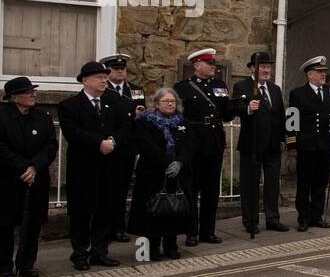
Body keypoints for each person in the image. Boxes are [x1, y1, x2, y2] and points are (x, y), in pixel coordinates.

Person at [0, 76, 57, 277]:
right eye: (28, 92)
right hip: (7, 179)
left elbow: (51, 146)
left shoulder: (43, 116)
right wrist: (23, 167)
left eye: (33, 91)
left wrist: (35, 166)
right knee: (4, 224)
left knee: (33, 223)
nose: (33, 95)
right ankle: (3, 267)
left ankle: (26, 263)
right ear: (14, 97)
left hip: (36, 178)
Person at [58, 60, 127, 271]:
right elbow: (73, 132)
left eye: (105, 77)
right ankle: (79, 253)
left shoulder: (113, 102)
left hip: (109, 166)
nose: (103, 81)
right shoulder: (69, 105)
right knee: (81, 212)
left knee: (104, 209)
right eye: (99, 77)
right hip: (84, 166)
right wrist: (99, 143)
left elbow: (125, 126)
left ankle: (100, 251)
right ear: (85, 80)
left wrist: (113, 141)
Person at [174, 48, 234, 246]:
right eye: (209, 64)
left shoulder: (220, 86)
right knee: (192, 189)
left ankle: (208, 231)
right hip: (195, 143)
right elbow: (178, 117)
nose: (213, 67)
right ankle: (191, 232)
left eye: (214, 64)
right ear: (197, 65)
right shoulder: (183, 88)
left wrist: (240, 106)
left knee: (211, 191)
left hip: (214, 142)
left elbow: (227, 114)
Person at [128, 87, 191, 261]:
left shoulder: (183, 121)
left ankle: (171, 246)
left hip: (176, 175)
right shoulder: (145, 121)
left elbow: (189, 145)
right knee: (153, 212)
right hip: (152, 173)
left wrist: (179, 162)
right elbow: (147, 145)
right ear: (156, 103)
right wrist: (168, 162)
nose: (170, 104)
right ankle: (152, 248)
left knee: (173, 212)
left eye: (172, 101)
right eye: (165, 101)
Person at [232, 51, 287, 237]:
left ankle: (273, 218)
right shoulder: (242, 86)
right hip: (252, 144)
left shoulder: (274, 89)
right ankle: (250, 220)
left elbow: (280, 116)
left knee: (272, 184)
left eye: (268, 67)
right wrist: (248, 108)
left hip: (272, 145)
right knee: (250, 185)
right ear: (252, 68)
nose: (266, 70)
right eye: (262, 66)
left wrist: (282, 139)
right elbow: (234, 108)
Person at [286, 56, 330, 231]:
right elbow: (291, 121)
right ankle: (303, 217)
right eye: (319, 72)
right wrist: (292, 145)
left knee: (320, 182)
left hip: (325, 146)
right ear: (310, 75)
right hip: (307, 146)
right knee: (305, 183)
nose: (323, 74)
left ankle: (316, 216)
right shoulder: (298, 93)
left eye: (324, 71)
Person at [100, 53, 145, 243]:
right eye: (115, 68)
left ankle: (119, 227)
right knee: (107, 189)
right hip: (109, 145)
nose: (120, 71)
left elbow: (140, 116)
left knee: (122, 189)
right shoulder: (103, 90)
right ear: (108, 71)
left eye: (123, 68)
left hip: (128, 146)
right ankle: (105, 227)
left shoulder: (135, 90)